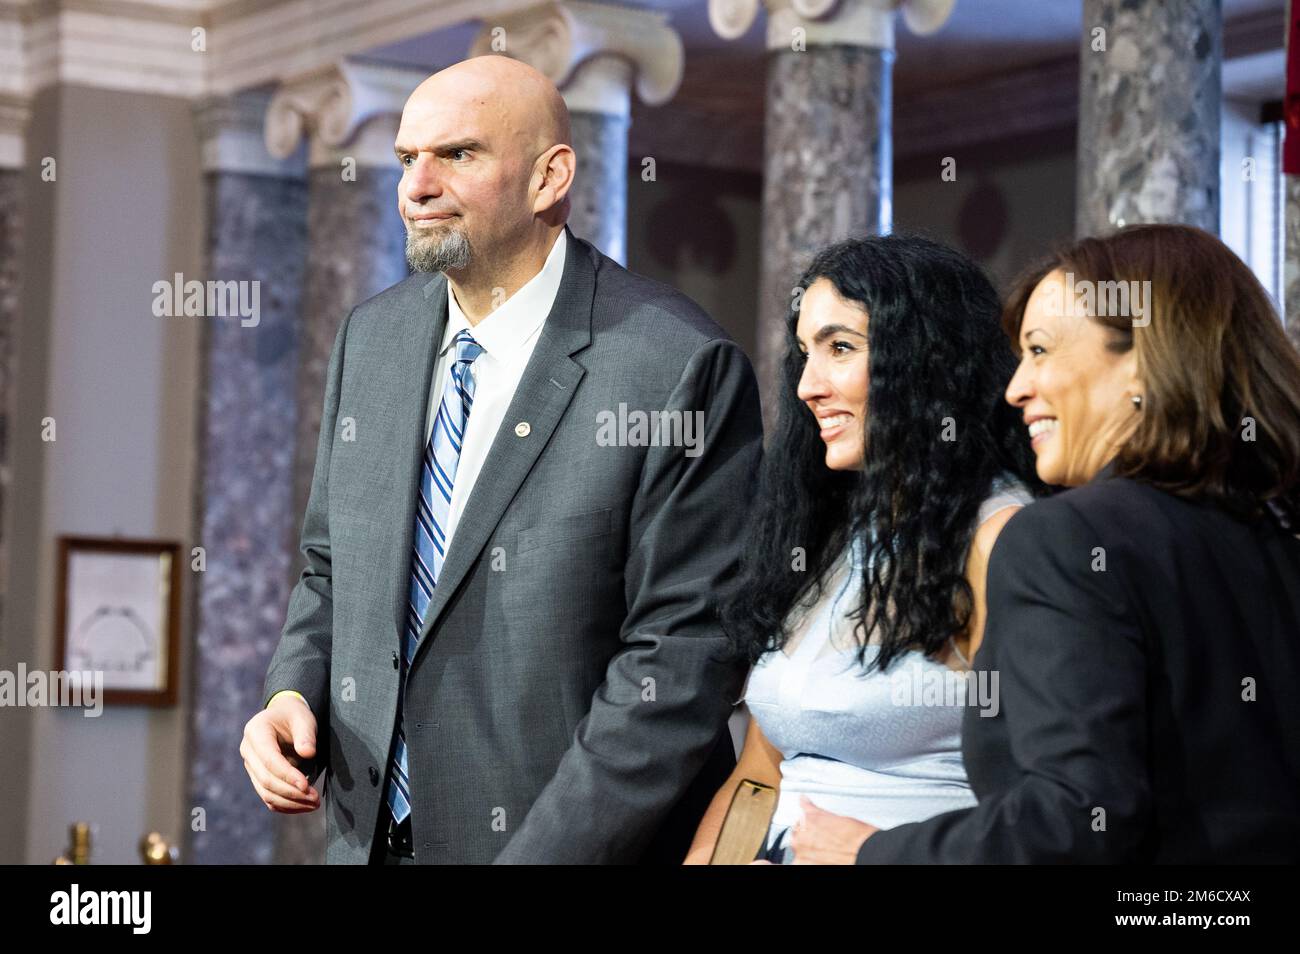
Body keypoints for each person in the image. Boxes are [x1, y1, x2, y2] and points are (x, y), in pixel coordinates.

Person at [239, 54, 764, 864]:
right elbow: (331, 569)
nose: (417, 187)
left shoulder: (674, 366)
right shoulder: (369, 340)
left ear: (550, 176)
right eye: (407, 158)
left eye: (458, 154)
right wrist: (289, 690)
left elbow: (679, 662)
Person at [796, 224, 1300, 864]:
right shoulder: (1276, 526)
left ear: (1145, 358)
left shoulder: (1066, 537)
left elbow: (1078, 819)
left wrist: (873, 854)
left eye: (1039, 351)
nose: (1016, 388)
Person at [683, 234, 1040, 864]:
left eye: (840, 348)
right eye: (804, 354)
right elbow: (761, 777)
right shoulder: (823, 535)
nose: (807, 387)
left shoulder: (1002, 538)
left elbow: (1045, 809)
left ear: (927, 360)